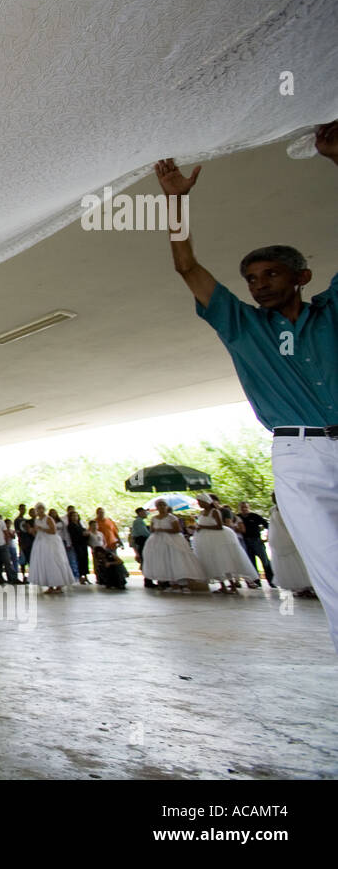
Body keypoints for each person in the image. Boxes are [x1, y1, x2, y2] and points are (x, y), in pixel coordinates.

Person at [155, 139, 338, 649]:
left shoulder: (332, 311)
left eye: (270, 274)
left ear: (302, 278)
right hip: (298, 454)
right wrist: (176, 202)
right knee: (331, 570)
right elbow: (187, 268)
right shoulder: (240, 325)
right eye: (251, 279)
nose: (258, 286)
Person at [192, 494, 258, 594]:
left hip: (218, 539)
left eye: (200, 502)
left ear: (206, 502)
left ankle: (232, 585)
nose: (199, 504)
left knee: (223, 560)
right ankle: (222, 585)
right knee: (213, 561)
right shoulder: (201, 513)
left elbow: (219, 526)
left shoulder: (214, 512)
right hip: (206, 540)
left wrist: (203, 527)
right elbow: (201, 524)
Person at [142, 500, 205, 593]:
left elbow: (177, 529)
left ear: (166, 506)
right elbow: (152, 529)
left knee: (177, 560)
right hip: (158, 541)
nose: (161, 507)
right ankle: (171, 584)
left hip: (172, 540)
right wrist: (155, 530)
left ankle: (183, 584)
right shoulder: (154, 518)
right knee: (164, 561)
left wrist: (163, 529)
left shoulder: (171, 517)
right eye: (159, 505)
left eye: (163, 505)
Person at [268, 494, 316, 598]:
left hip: (286, 538)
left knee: (297, 562)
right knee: (293, 563)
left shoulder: (284, 508)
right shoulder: (275, 510)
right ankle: (302, 587)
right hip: (281, 539)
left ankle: (307, 586)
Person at [29, 503, 73, 594]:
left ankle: (59, 584)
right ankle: (49, 585)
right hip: (40, 542)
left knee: (54, 561)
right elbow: (36, 532)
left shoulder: (48, 519)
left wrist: (42, 529)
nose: (40, 510)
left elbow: (53, 531)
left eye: (41, 508)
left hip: (51, 542)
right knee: (44, 562)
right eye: (38, 509)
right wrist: (32, 531)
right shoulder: (36, 520)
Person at [235, 501, 274, 588]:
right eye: (242, 507)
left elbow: (267, 525)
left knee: (265, 562)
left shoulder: (255, 516)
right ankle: (256, 581)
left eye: (246, 507)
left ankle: (271, 581)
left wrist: (267, 537)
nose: (244, 509)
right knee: (251, 562)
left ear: (249, 507)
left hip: (257, 541)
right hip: (245, 541)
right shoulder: (238, 517)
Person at [130, 507, 154, 588]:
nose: (145, 514)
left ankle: (148, 580)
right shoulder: (138, 522)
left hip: (142, 541)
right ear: (140, 512)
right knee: (145, 560)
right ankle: (148, 580)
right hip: (142, 542)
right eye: (144, 512)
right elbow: (144, 533)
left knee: (145, 560)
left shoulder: (139, 522)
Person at [67, 510, 91, 584]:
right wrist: (82, 534)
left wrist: (86, 534)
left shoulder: (80, 525)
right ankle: (81, 577)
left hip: (83, 544)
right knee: (79, 560)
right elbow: (74, 535)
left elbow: (85, 532)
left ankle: (86, 576)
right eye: (73, 516)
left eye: (76, 516)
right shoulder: (70, 526)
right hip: (77, 545)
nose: (75, 517)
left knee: (85, 560)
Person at [14, 504, 35, 576]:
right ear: (19, 509)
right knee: (22, 560)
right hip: (22, 542)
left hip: (29, 542)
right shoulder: (17, 520)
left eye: (24, 509)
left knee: (30, 559)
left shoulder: (26, 520)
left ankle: (31, 575)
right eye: (22, 509)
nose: (23, 510)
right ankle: (23, 576)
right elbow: (17, 531)